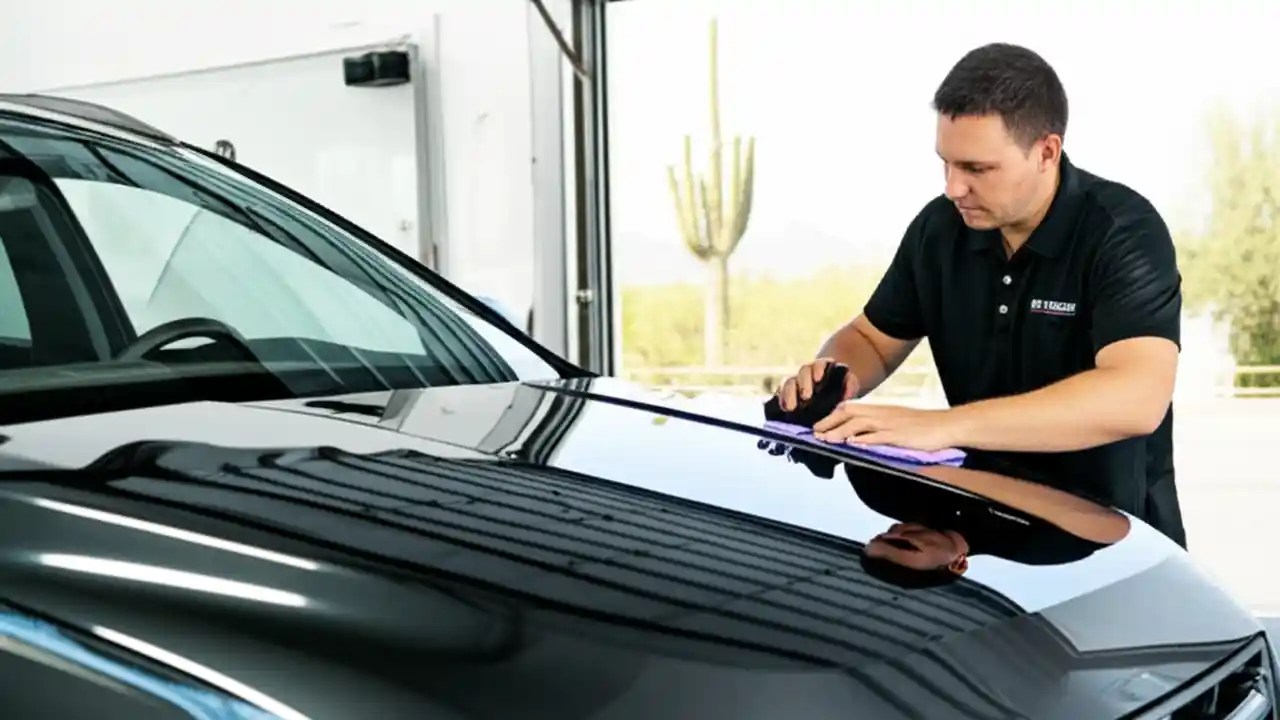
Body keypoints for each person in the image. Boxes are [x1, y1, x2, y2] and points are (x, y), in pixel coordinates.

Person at [772, 42, 1186, 548]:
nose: (953, 188)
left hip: (1111, 551)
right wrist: (834, 375)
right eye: (945, 164)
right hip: (979, 544)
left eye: (977, 169)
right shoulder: (939, 229)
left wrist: (942, 427)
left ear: (1046, 152)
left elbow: (1136, 397)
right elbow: (872, 339)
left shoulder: (1121, 231)